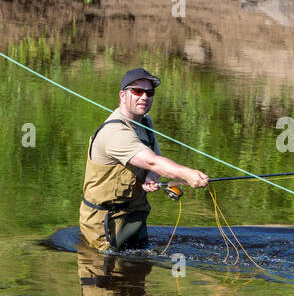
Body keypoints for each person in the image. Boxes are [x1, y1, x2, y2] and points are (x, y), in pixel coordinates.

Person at [78, 67, 209, 253]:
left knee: (138, 272)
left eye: (149, 92)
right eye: (137, 91)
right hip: (105, 221)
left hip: (135, 212)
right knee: (111, 269)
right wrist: (186, 174)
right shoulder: (114, 133)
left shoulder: (145, 122)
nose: (144, 97)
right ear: (122, 96)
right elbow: (152, 161)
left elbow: (154, 161)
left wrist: (151, 176)